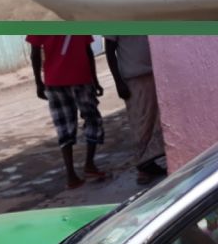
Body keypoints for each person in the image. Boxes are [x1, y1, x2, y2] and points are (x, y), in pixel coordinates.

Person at [27, 35, 109, 189]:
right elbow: (88, 51)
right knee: (92, 120)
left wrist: (39, 82)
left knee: (64, 127)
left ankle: (71, 174)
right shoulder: (78, 21)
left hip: (55, 81)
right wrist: (95, 80)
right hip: (81, 78)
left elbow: (35, 53)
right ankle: (89, 165)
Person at [104, 35, 168, 185]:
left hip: (154, 73)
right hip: (134, 79)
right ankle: (143, 168)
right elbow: (109, 51)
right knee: (140, 125)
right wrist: (118, 82)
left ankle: (151, 163)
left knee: (158, 122)